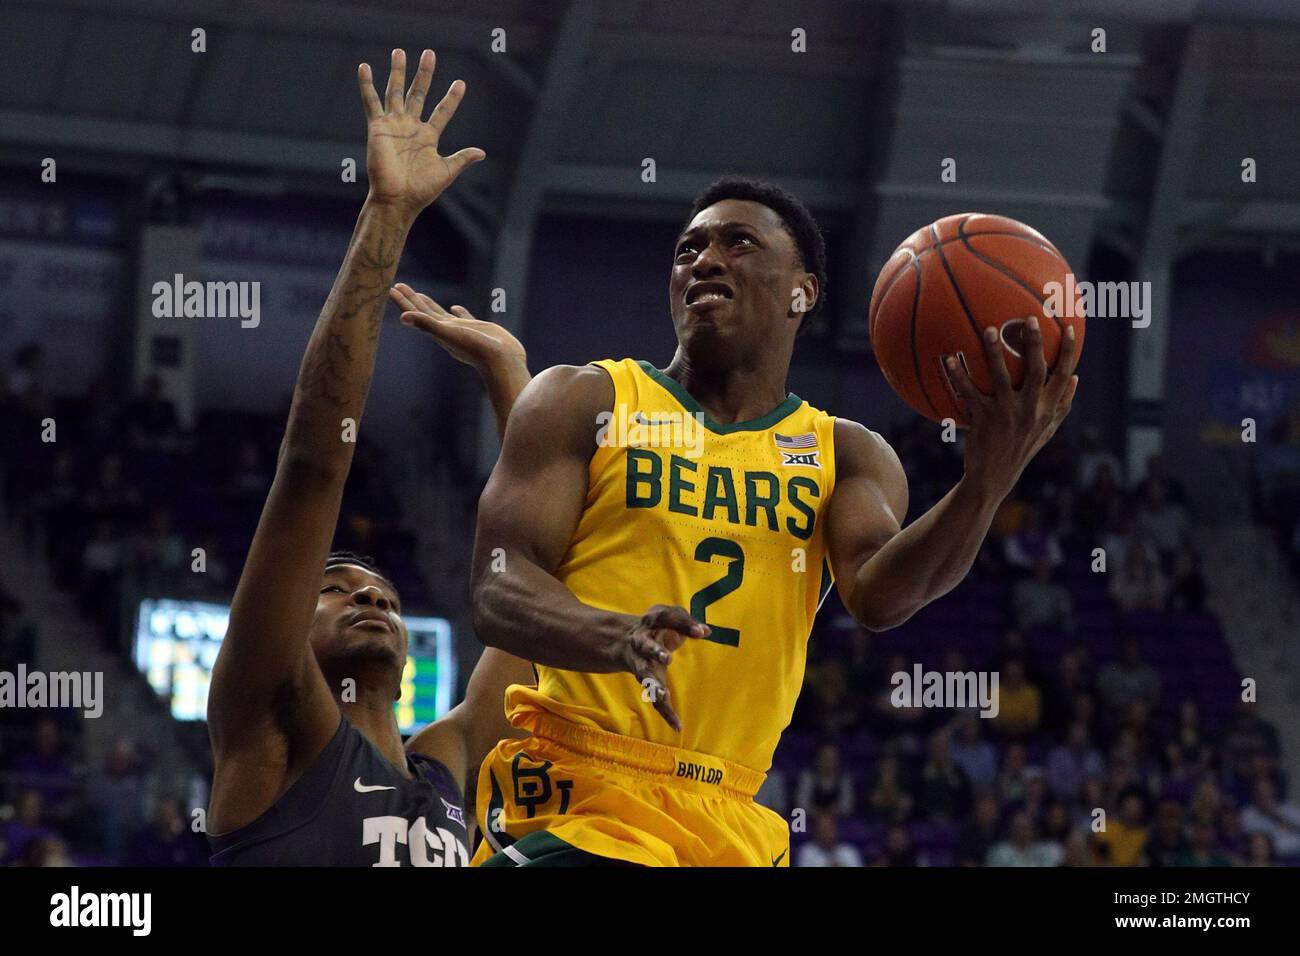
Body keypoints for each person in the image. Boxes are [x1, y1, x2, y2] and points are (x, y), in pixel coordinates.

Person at [469, 178, 1078, 866]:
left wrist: (987, 481)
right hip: (581, 793)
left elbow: (880, 596)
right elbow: (498, 584)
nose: (703, 260)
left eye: (738, 242)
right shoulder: (584, 399)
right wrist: (612, 635)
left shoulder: (846, 453)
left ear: (802, 292)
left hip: (731, 813)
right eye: (688, 249)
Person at [205, 49, 533, 866]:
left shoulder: (451, 763)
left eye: (381, 592)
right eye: (336, 588)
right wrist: (388, 215)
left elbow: (540, 597)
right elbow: (315, 462)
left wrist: (512, 388)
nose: (372, 599)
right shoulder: (273, 727)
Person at [796, 814, 862, 868]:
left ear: (836, 831)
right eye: (823, 830)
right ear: (816, 832)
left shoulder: (849, 851)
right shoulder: (807, 851)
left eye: (829, 830)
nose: (826, 834)